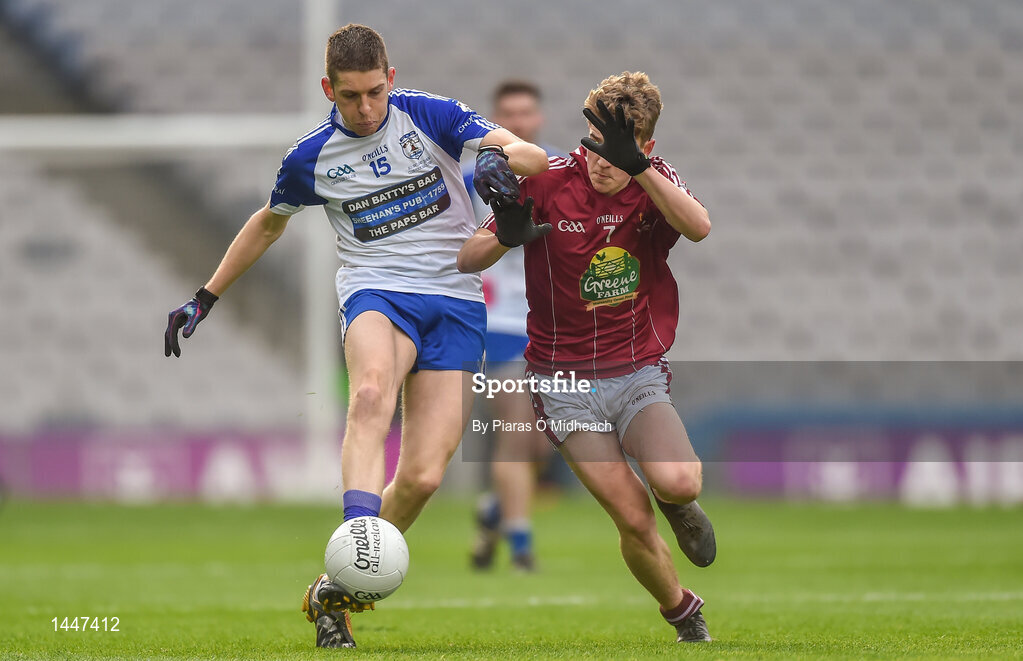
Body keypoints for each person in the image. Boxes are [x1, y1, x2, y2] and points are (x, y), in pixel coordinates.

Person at [163, 24, 548, 649]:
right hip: (375, 290)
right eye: (350, 97)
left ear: (390, 79)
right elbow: (267, 224)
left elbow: (534, 157)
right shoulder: (309, 158)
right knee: (370, 394)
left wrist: (501, 161)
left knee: (424, 476)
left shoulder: (433, 115)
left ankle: (334, 589)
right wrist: (205, 296)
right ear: (329, 90)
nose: (365, 109)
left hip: (453, 299)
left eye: (374, 92)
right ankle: (357, 534)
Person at [457, 72, 717, 643]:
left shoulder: (654, 179)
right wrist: (507, 230)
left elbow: (699, 226)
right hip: (561, 379)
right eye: (594, 139)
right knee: (629, 513)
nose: (599, 159)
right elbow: (467, 258)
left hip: (636, 371)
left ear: (645, 146)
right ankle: (683, 613)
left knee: (680, 481)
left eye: (617, 147)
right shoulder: (549, 180)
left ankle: (678, 505)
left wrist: (642, 171)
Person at [462, 80, 563, 572]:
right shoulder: (469, 180)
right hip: (499, 322)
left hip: (549, 321)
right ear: (494, 123)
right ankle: (521, 546)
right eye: (508, 115)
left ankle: (493, 511)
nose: (518, 123)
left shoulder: (561, 172)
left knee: (543, 439)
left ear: (538, 119)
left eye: (526, 113)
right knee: (517, 429)